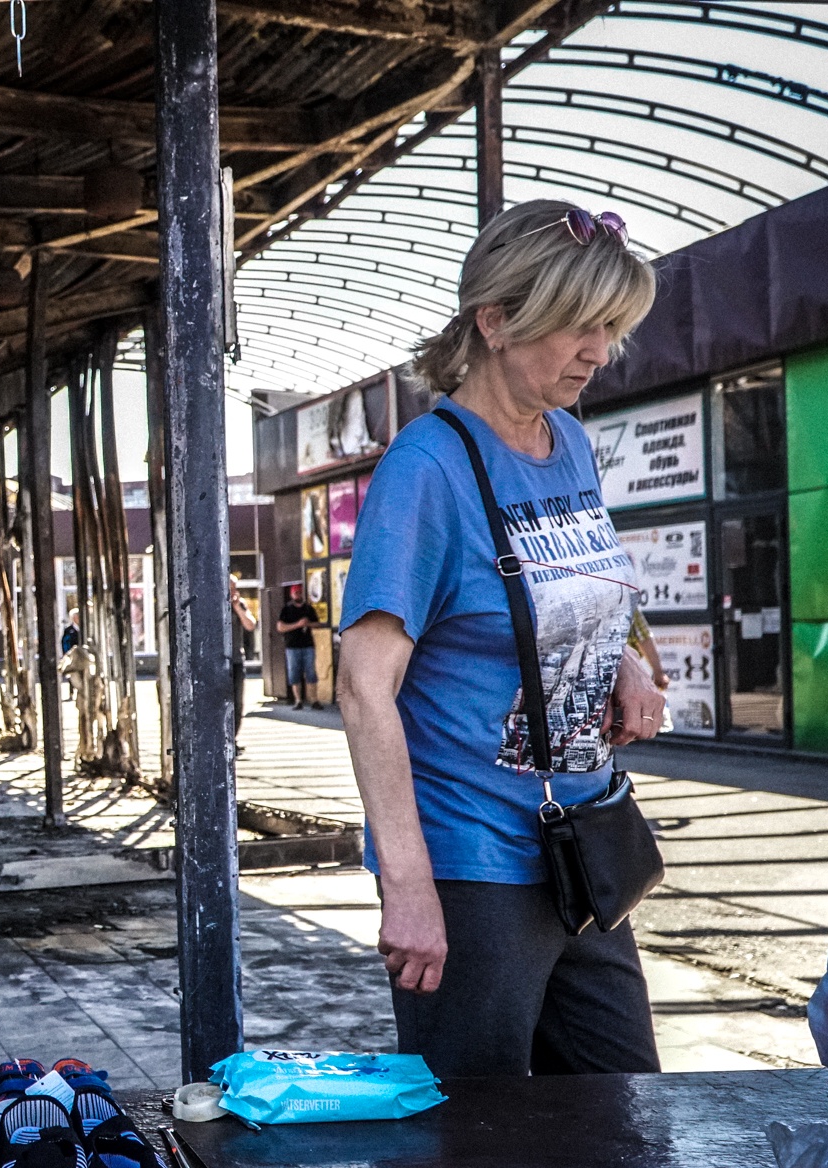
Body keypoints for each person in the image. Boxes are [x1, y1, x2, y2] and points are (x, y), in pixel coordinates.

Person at [335, 199, 667, 1079]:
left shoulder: (569, 443)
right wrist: (408, 885)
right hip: (474, 864)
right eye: (579, 326)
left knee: (623, 1125)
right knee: (474, 1159)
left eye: (611, 325)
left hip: (585, 849)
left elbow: (568, 584)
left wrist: (625, 657)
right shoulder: (426, 469)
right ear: (494, 321)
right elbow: (363, 685)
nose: (600, 350)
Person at [275, 584, 323, 708]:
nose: (298, 595)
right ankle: (298, 700)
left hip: (308, 645)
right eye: (295, 593)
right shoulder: (287, 609)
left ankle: (314, 700)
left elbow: (318, 624)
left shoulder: (308, 608)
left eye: (300, 592)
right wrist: (298, 624)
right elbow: (280, 627)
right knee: (294, 673)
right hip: (292, 646)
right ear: (292, 594)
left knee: (311, 672)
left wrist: (309, 624)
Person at [228, 574, 256, 739]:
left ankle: (233, 738)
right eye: (230, 588)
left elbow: (250, 625)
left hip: (236, 660)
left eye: (234, 588)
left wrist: (237, 607)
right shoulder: (214, 604)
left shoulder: (240, 604)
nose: (233, 591)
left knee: (238, 703)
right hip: (219, 661)